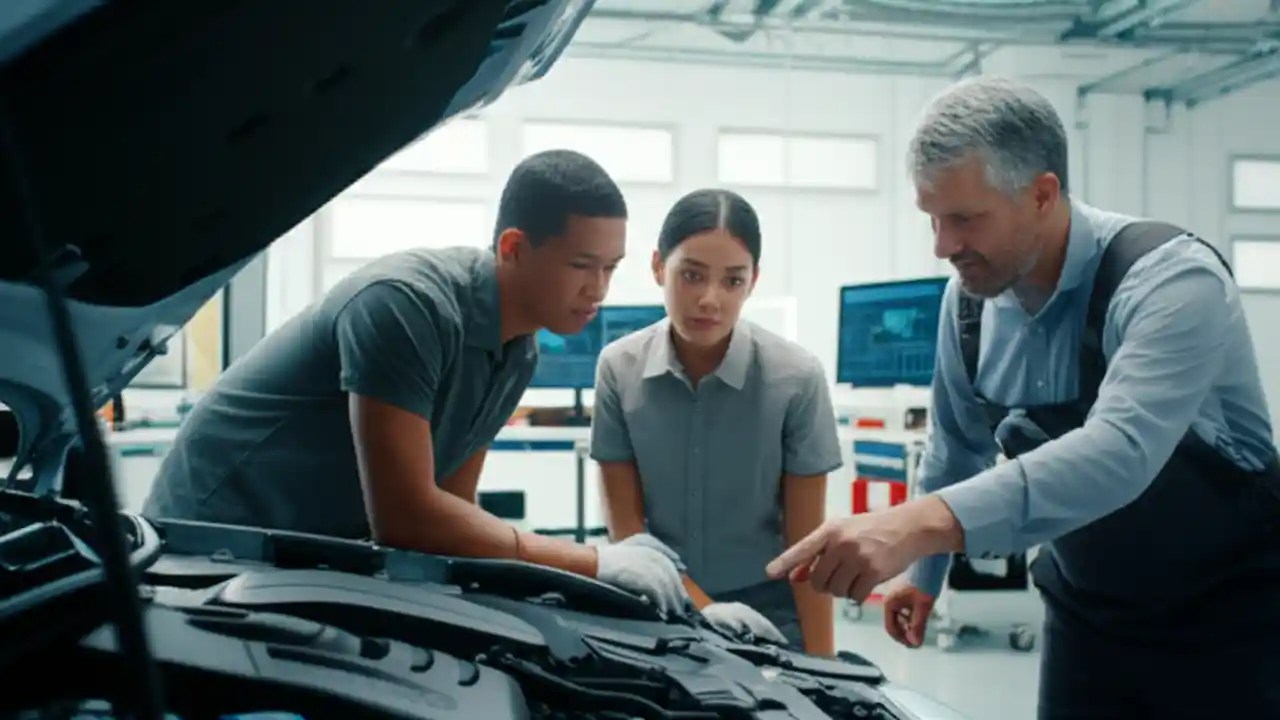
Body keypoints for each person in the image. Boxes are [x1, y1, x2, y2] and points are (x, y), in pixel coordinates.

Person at [766, 76, 1280, 717]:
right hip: (1087, 614)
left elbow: (1119, 452)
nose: (942, 246)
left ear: (1042, 194)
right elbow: (957, 446)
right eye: (932, 218)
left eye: (964, 219)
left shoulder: (1171, 281)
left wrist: (912, 527)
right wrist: (923, 576)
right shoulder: (969, 305)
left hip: (1230, 621)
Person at [143, 149, 691, 617]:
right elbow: (406, 520)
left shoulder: (519, 350)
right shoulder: (404, 305)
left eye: (611, 268)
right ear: (514, 249)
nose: (598, 289)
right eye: (582, 265)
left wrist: (674, 600)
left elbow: (453, 515)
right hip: (201, 547)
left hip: (294, 557)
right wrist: (593, 561)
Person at [591, 188, 842, 653]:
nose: (710, 299)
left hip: (769, 616)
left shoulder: (797, 377)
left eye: (732, 281)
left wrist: (825, 664)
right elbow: (625, 524)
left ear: (753, 281)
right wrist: (701, 609)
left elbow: (805, 543)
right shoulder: (618, 367)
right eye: (691, 275)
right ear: (657, 267)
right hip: (657, 601)